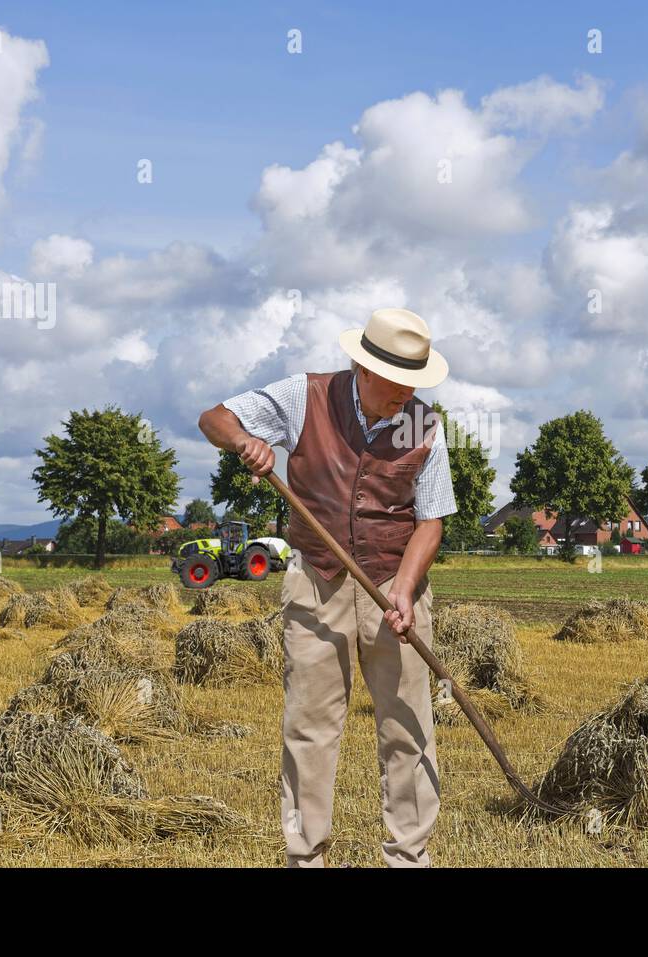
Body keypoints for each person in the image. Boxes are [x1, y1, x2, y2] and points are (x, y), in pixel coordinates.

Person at [197, 307, 455, 867]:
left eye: (416, 381)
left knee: (408, 729)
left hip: (394, 585)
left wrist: (406, 590)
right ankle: (305, 857)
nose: (407, 393)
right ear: (364, 368)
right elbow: (212, 417)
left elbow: (430, 520)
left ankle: (409, 858)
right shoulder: (304, 397)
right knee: (310, 730)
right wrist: (245, 443)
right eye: (398, 382)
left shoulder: (425, 425)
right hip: (317, 581)